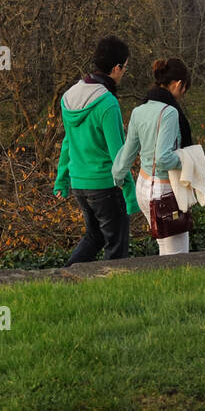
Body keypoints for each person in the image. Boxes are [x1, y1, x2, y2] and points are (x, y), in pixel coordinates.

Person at [53, 35, 139, 264]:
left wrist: (62, 179)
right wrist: (131, 195)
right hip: (105, 186)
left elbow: (68, 143)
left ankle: (65, 278)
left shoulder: (68, 97)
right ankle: (113, 293)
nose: (124, 73)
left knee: (95, 237)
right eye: (125, 68)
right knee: (117, 246)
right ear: (116, 68)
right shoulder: (107, 103)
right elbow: (118, 156)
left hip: (79, 184)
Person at [112, 57, 192, 256]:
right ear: (178, 84)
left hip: (144, 188)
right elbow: (164, 158)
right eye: (184, 90)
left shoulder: (140, 110)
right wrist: (188, 159)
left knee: (164, 246)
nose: (182, 96)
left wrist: (118, 177)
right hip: (164, 190)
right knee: (178, 255)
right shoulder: (170, 113)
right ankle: (174, 287)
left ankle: (164, 285)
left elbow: (127, 153)